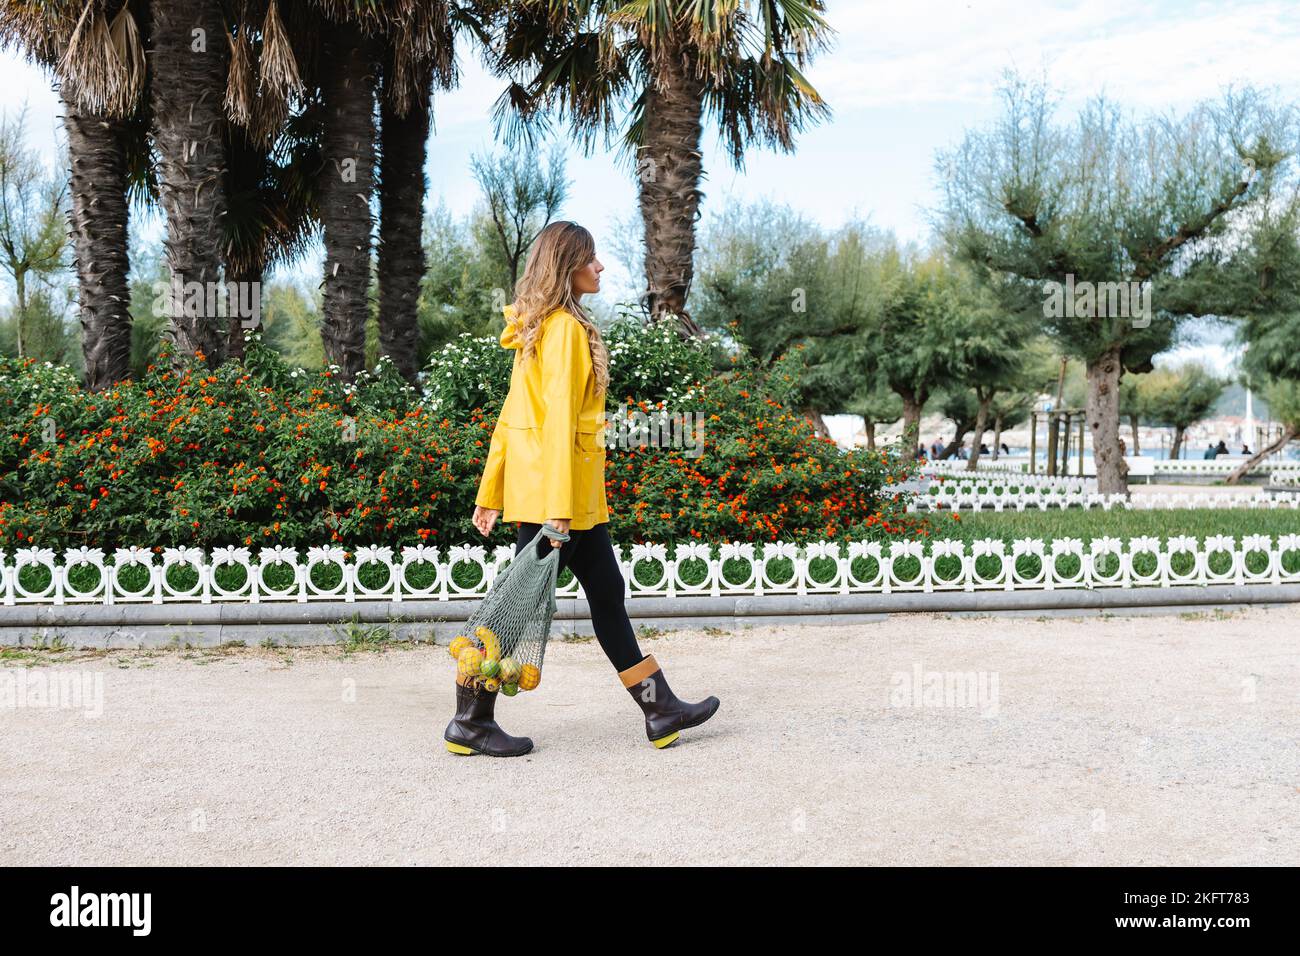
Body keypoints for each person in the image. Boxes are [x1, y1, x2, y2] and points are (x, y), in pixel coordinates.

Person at [457, 221, 719, 757]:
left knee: (604, 594)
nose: (600, 267)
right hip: (561, 500)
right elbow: (551, 425)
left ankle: (659, 707)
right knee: (520, 608)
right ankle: (470, 719)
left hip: (560, 496)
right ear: (566, 267)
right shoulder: (566, 332)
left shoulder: (539, 328)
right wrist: (557, 511)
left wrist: (491, 492)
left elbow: (512, 418)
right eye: (591, 259)